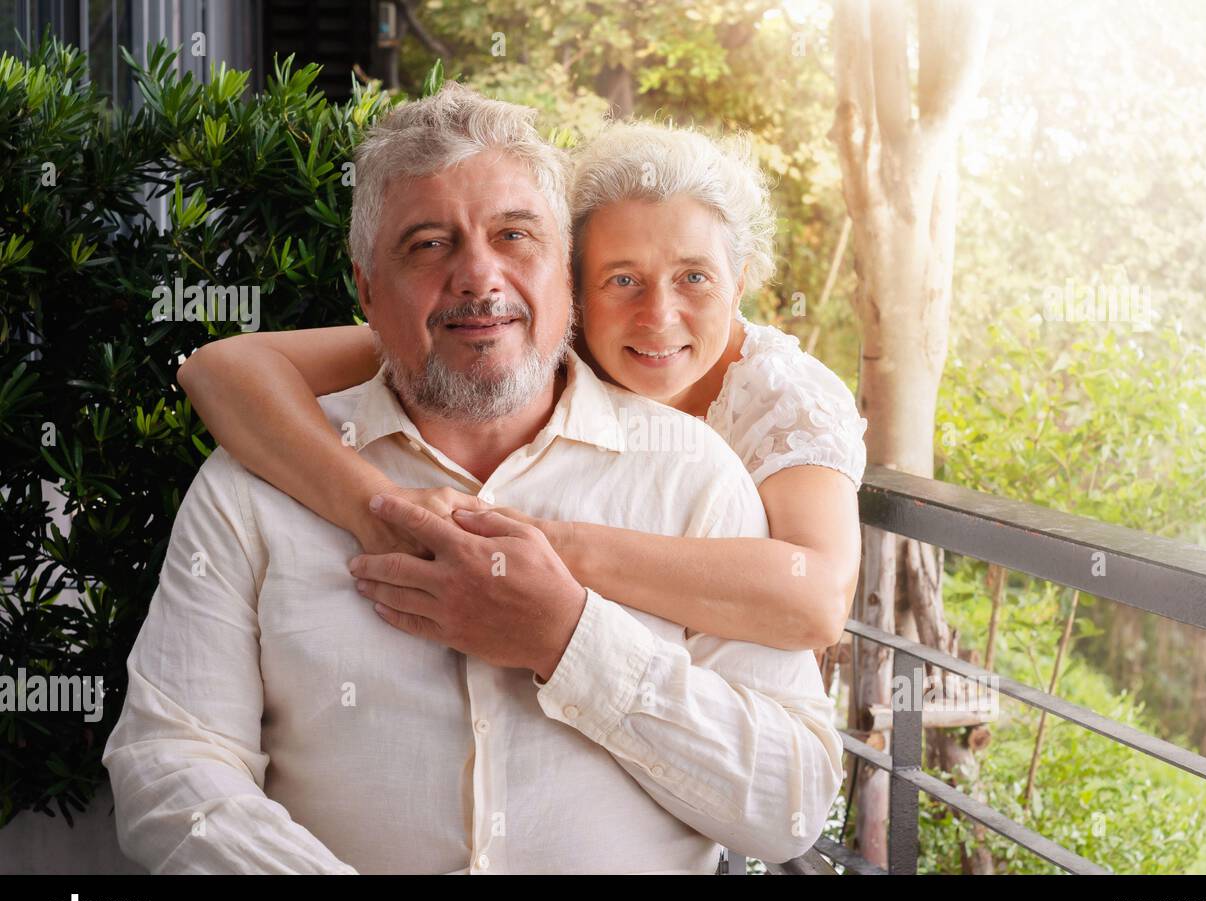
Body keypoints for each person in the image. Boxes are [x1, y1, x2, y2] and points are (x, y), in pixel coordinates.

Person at [102, 82, 844, 874]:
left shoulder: (697, 478)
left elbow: (791, 806)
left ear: (562, 274)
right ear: (365, 290)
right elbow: (171, 763)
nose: (478, 276)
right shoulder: (256, 483)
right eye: (427, 244)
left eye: (515, 235)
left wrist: (567, 638)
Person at [177, 121, 869, 654]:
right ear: (570, 289)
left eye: (695, 277)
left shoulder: (783, 397)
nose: (659, 316)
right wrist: (371, 508)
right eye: (621, 279)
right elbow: (220, 369)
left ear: (741, 282)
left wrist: (531, 549)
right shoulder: (535, 343)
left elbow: (816, 599)